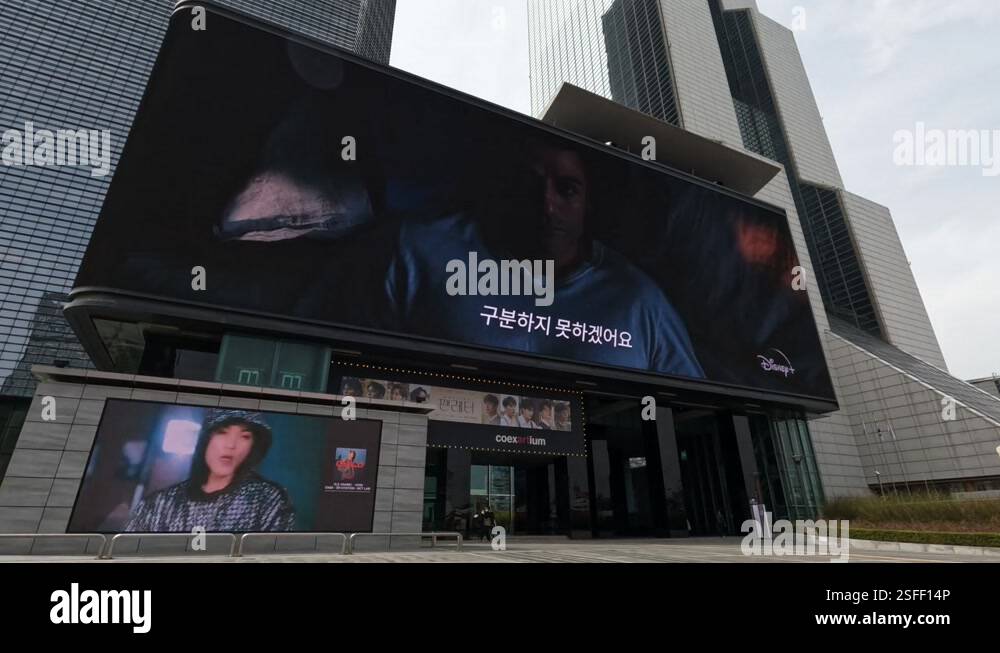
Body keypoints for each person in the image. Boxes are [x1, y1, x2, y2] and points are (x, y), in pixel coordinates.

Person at [384, 138, 703, 379]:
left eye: (567, 190)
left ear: (588, 203)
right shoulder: (422, 249)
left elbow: (695, 408)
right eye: (530, 186)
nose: (547, 207)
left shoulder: (641, 300)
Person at [124, 409, 295, 532]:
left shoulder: (267, 499)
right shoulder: (160, 503)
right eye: (222, 432)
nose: (231, 445)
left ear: (253, 446)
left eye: (245, 436)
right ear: (206, 439)